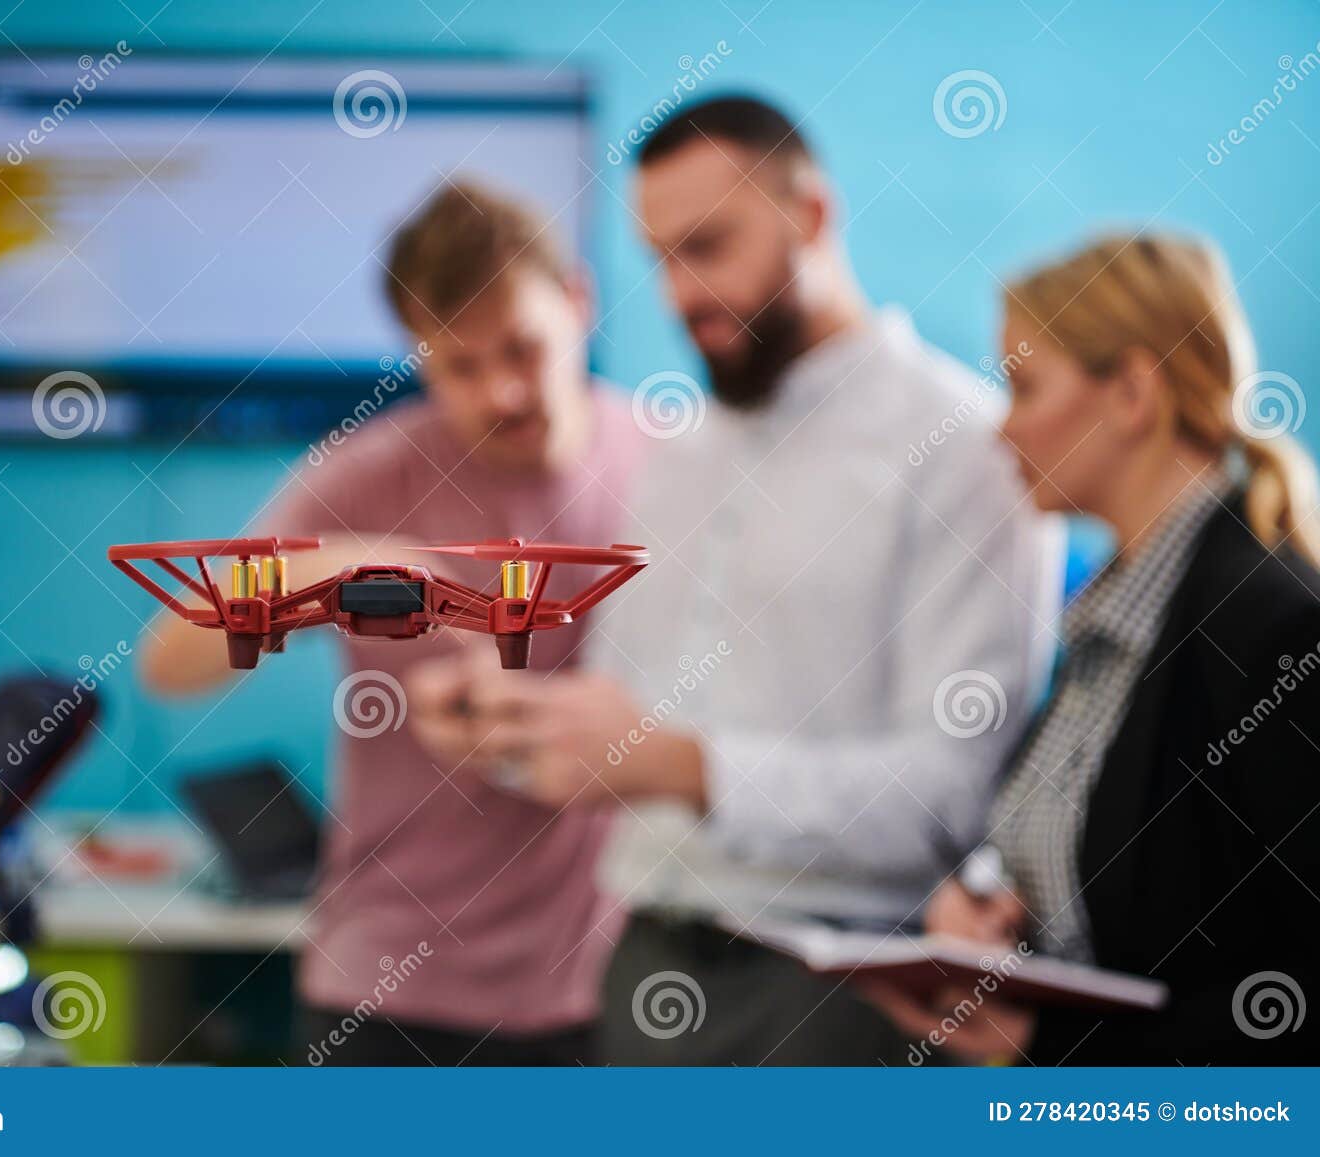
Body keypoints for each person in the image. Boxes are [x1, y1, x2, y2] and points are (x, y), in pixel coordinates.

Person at [407, 96, 1058, 1064]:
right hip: (643, 967)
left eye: (707, 247)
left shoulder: (964, 451)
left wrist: (685, 765)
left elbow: (949, 796)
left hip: (841, 994)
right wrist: (510, 726)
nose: (678, 293)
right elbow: (632, 728)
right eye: (659, 257)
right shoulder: (679, 454)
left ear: (812, 216)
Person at [138, 180, 646, 1064]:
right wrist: (333, 569)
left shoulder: (670, 463)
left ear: (578, 301)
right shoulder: (369, 476)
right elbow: (170, 661)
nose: (501, 393)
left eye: (522, 349)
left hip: (608, 988)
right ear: (418, 356)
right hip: (387, 993)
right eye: (459, 365)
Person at [866, 232, 1320, 1065]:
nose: (1003, 431)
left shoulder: (1276, 633)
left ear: (1133, 392)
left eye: (1024, 386)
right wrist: (986, 902)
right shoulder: (1118, 611)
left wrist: (1061, 1045)